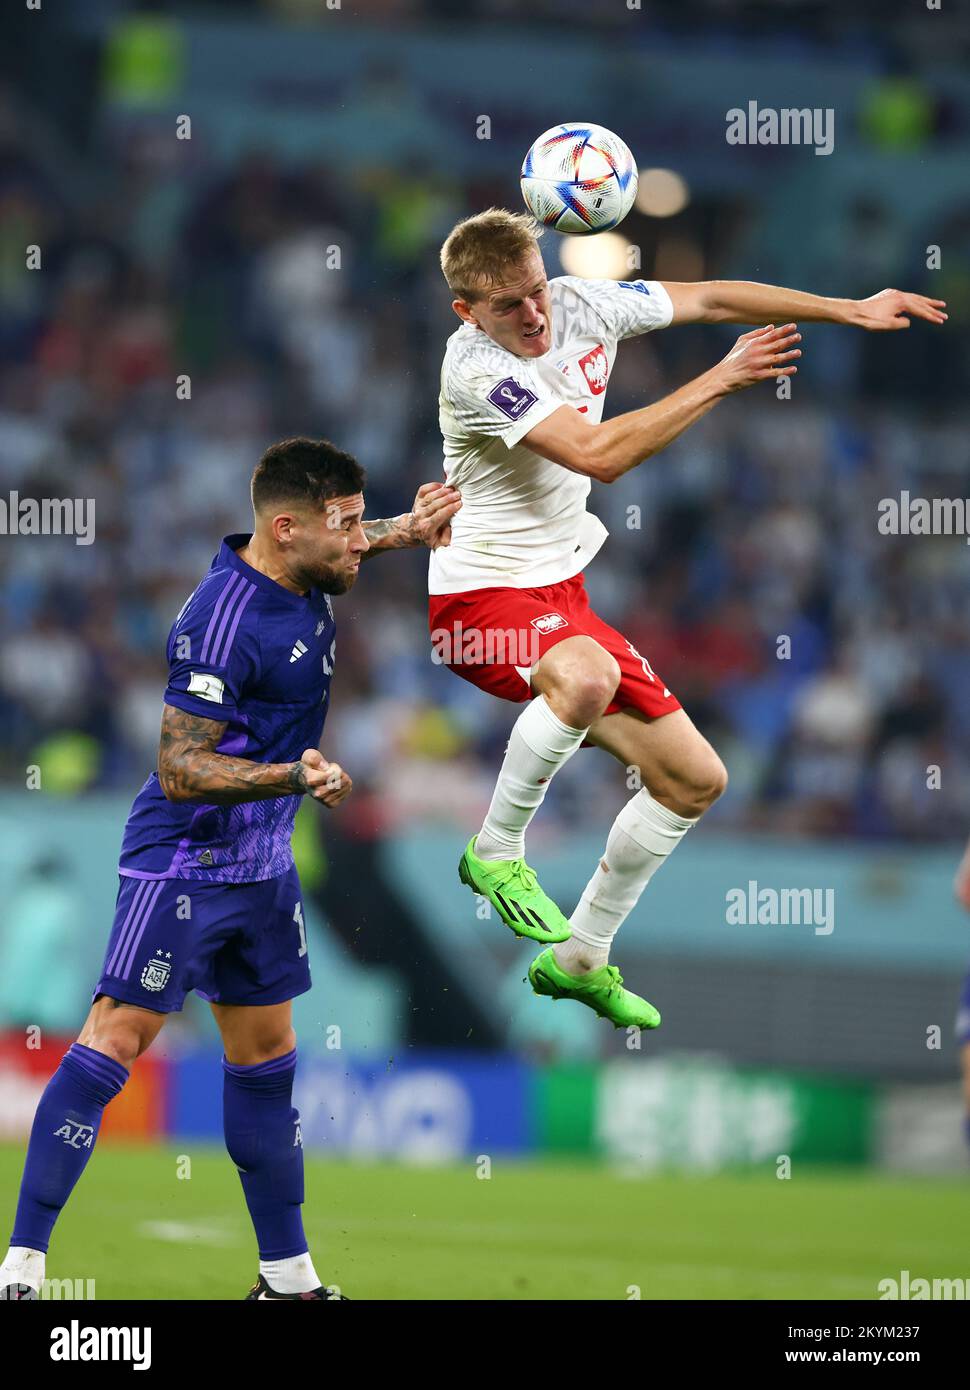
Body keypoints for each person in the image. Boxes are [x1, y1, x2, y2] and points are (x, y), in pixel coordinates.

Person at [432, 207, 946, 1029]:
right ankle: (493, 849)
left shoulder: (582, 303)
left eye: (536, 292)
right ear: (468, 313)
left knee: (695, 778)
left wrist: (846, 307)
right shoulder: (475, 369)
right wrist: (721, 379)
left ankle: (580, 957)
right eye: (508, 307)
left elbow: (709, 299)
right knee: (590, 675)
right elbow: (599, 457)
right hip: (478, 601)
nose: (534, 316)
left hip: (561, 599)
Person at [0, 437, 460, 1302]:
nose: (361, 540)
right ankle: (21, 1272)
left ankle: (285, 1280)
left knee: (266, 1053)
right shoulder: (220, 621)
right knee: (115, 1038)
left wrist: (410, 527)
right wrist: (293, 775)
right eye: (349, 526)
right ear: (286, 530)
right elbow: (180, 768)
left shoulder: (304, 568)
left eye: (364, 523)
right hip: (183, 861)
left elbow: (353, 542)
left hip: (262, 867)